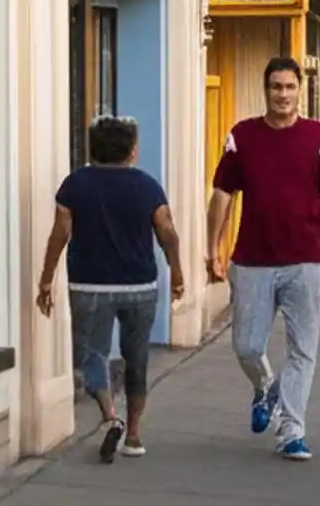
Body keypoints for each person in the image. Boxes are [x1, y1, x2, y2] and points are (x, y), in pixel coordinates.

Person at [205, 56, 320, 461]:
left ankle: (292, 431)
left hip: (303, 259)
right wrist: (212, 247)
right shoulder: (242, 136)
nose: (283, 94)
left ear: (300, 90)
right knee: (247, 346)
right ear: (265, 90)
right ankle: (266, 387)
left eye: (289, 87)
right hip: (252, 259)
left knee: (304, 350)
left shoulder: (318, 135)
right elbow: (222, 195)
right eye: (275, 87)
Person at [36, 115, 186, 464]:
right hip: (140, 285)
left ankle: (109, 416)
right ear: (132, 151)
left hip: (89, 284)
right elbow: (168, 233)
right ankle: (133, 435)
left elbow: (59, 234)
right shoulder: (148, 187)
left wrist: (46, 278)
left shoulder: (75, 185)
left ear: (93, 150)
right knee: (137, 359)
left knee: (93, 355)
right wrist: (177, 274)